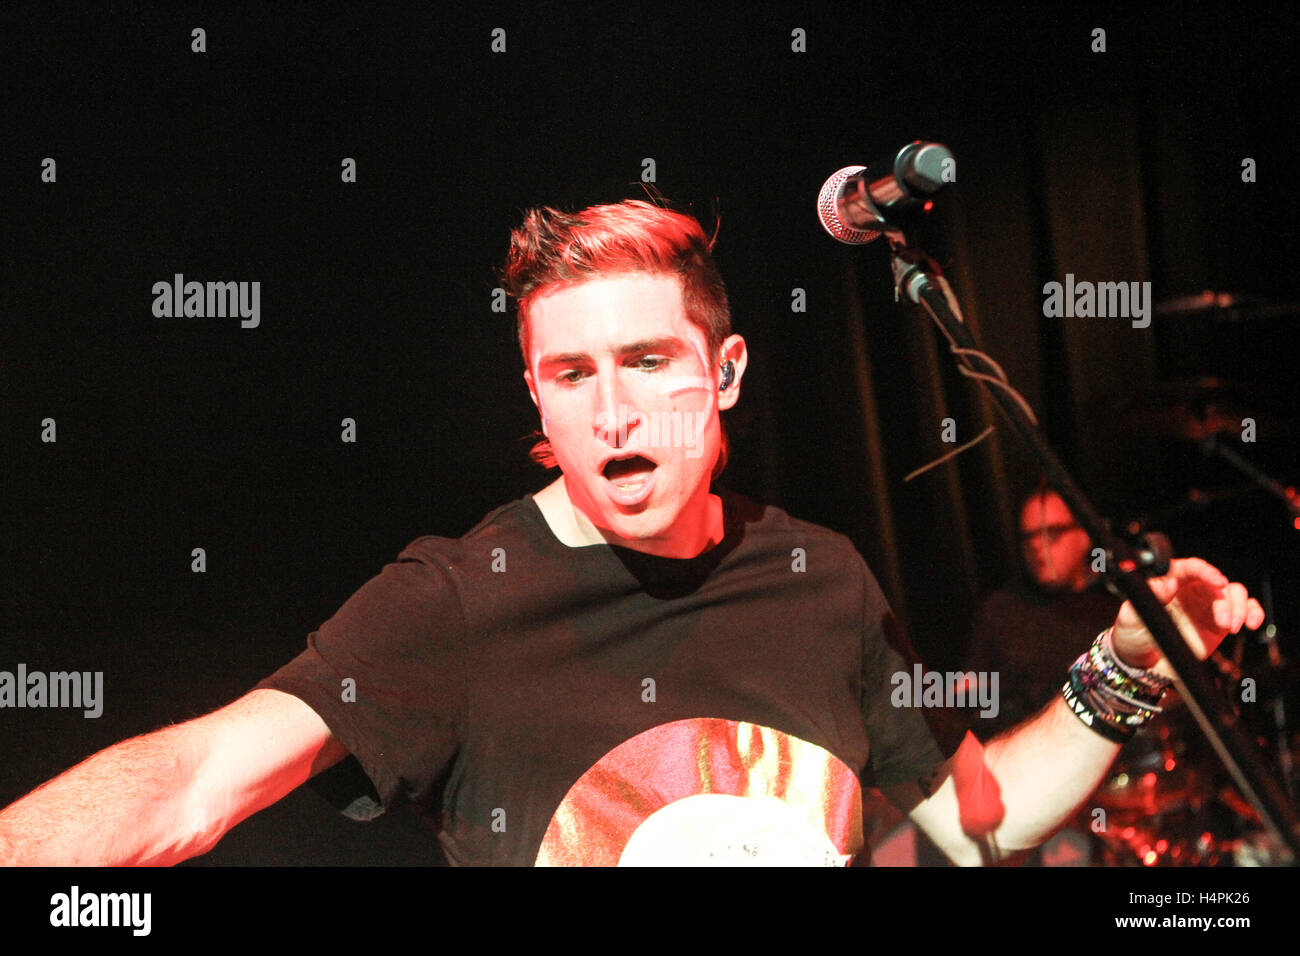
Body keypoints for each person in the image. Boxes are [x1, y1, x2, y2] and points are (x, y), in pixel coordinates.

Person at [0, 199, 1265, 866]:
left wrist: (1126, 671)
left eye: (648, 360)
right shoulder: (459, 596)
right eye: (568, 373)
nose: (610, 410)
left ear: (723, 372)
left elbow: (953, 826)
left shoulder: (820, 573)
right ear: (536, 393)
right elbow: (191, 781)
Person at [967, 488, 1123, 738]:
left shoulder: (1118, 604)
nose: (1037, 546)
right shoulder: (1001, 610)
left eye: (1052, 533)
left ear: (1084, 536)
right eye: (1028, 537)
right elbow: (974, 690)